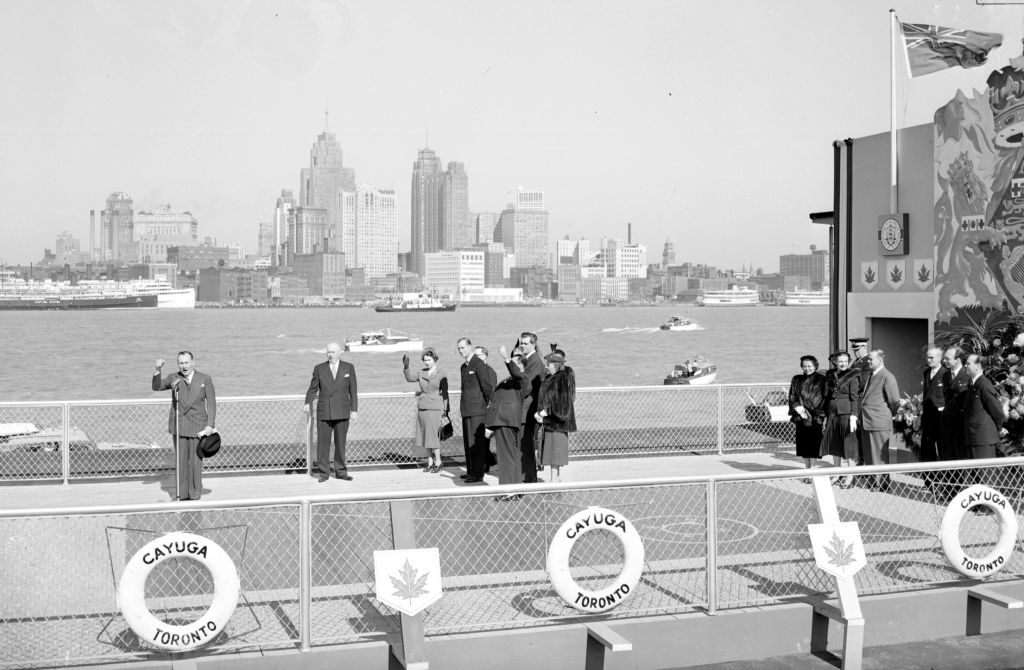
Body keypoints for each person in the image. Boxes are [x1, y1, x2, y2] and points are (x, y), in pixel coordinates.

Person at [152, 351, 217, 501]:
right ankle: (181, 495)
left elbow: (211, 404)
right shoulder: (174, 378)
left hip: (198, 426)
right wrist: (157, 369)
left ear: (193, 362)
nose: (184, 366)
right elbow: (157, 386)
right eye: (181, 363)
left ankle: (194, 494)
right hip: (179, 426)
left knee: (195, 462)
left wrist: (210, 425)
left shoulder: (205, 379)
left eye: (186, 362)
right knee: (181, 462)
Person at [304, 343, 358, 483]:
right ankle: (324, 473)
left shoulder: (349, 367)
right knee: (323, 444)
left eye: (333, 352)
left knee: (340, 443)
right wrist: (308, 402)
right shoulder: (319, 368)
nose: (330, 355)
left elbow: (353, 390)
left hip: (342, 410)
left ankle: (341, 472)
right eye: (328, 352)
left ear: (339, 352)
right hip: (325, 411)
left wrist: (354, 409)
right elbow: (313, 388)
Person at [487, 346, 528, 490]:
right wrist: (489, 424)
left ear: (521, 366)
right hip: (502, 420)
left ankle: (508, 490)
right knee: (510, 455)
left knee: (506, 456)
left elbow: (517, 374)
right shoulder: (509, 380)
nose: (512, 367)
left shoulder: (522, 378)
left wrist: (506, 358)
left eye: (515, 364)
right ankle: (515, 488)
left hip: (507, 420)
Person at [859, 349, 900, 490]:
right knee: (869, 454)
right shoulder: (871, 375)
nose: (868, 361)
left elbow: (894, 401)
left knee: (880, 454)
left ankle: (881, 483)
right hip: (867, 420)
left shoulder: (887, 376)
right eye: (868, 359)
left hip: (879, 421)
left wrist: (887, 414)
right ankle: (873, 481)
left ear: (880, 360)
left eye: (871, 359)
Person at [964, 354, 1008, 488]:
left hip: (983, 439)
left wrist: (998, 428)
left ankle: (989, 502)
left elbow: (997, 411)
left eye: (968, 363)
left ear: (978, 366)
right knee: (976, 478)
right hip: (973, 437)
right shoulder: (973, 384)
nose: (965, 366)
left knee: (986, 478)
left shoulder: (984, 385)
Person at [403, 347, 448, 473]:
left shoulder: (441, 372)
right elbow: (409, 379)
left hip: (434, 407)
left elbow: (445, 392)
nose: (427, 362)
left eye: (429, 360)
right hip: (422, 407)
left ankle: (438, 462)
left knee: (433, 436)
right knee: (424, 435)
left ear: (434, 359)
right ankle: (430, 462)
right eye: (425, 360)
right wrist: (406, 367)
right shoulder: (421, 372)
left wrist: (446, 409)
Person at [535, 347, 576, 483]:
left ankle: (553, 481)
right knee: (552, 452)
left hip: (557, 422)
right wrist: (540, 412)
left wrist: (545, 412)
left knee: (555, 452)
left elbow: (561, 402)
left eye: (549, 364)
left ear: (557, 365)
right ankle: (555, 479)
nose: (547, 367)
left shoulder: (561, 378)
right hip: (551, 421)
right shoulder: (552, 377)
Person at [822, 351, 861, 487]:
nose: (843, 364)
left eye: (845, 361)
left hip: (847, 413)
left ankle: (850, 476)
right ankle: (837, 474)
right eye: (840, 361)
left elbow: (855, 397)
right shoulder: (830, 375)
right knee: (835, 443)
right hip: (832, 412)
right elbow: (827, 396)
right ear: (835, 362)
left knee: (849, 444)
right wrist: (825, 416)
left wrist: (854, 415)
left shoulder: (853, 375)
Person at [457, 338, 494, 483]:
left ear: (470, 347)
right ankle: (471, 470)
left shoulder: (479, 364)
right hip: (467, 408)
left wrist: (485, 404)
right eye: (459, 348)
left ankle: (478, 473)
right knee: (468, 442)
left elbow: (487, 387)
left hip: (478, 409)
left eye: (463, 347)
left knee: (476, 443)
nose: (461, 350)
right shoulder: (463, 366)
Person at [937, 346, 971, 501]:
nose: (944, 361)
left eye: (947, 358)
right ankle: (950, 491)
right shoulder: (945, 375)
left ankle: (962, 493)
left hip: (961, 425)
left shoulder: (967, 375)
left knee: (960, 459)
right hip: (947, 424)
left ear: (958, 360)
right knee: (948, 458)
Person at [788, 355, 828, 479]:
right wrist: (798, 408)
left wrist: (812, 409)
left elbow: (824, 397)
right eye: (804, 366)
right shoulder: (796, 379)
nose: (807, 368)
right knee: (804, 444)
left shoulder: (822, 379)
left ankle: (813, 471)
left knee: (814, 444)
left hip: (816, 416)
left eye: (809, 366)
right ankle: (807, 471)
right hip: (801, 416)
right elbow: (792, 395)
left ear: (815, 366)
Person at [517, 332, 547, 483]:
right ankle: (526, 475)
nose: (522, 346)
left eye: (525, 343)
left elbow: (527, 387)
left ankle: (528, 478)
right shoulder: (529, 359)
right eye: (521, 343)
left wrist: (513, 393)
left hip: (527, 409)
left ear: (533, 344)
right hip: (525, 408)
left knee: (526, 444)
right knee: (524, 443)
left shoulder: (534, 361)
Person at [920, 346, 951, 490]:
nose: (929, 360)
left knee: (942, 451)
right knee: (927, 451)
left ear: (939, 358)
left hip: (940, 418)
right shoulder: (926, 372)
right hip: (928, 418)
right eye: (927, 357)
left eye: (931, 357)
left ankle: (944, 484)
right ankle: (929, 482)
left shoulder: (946, 373)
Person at [475, 346, 499, 472]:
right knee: (477, 436)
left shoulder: (490, 371)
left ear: (484, 356)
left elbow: (492, 390)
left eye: (477, 355)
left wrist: (489, 405)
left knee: (484, 436)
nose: (474, 358)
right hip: (476, 407)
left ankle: (487, 462)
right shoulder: (474, 369)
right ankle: (488, 460)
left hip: (486, 408)